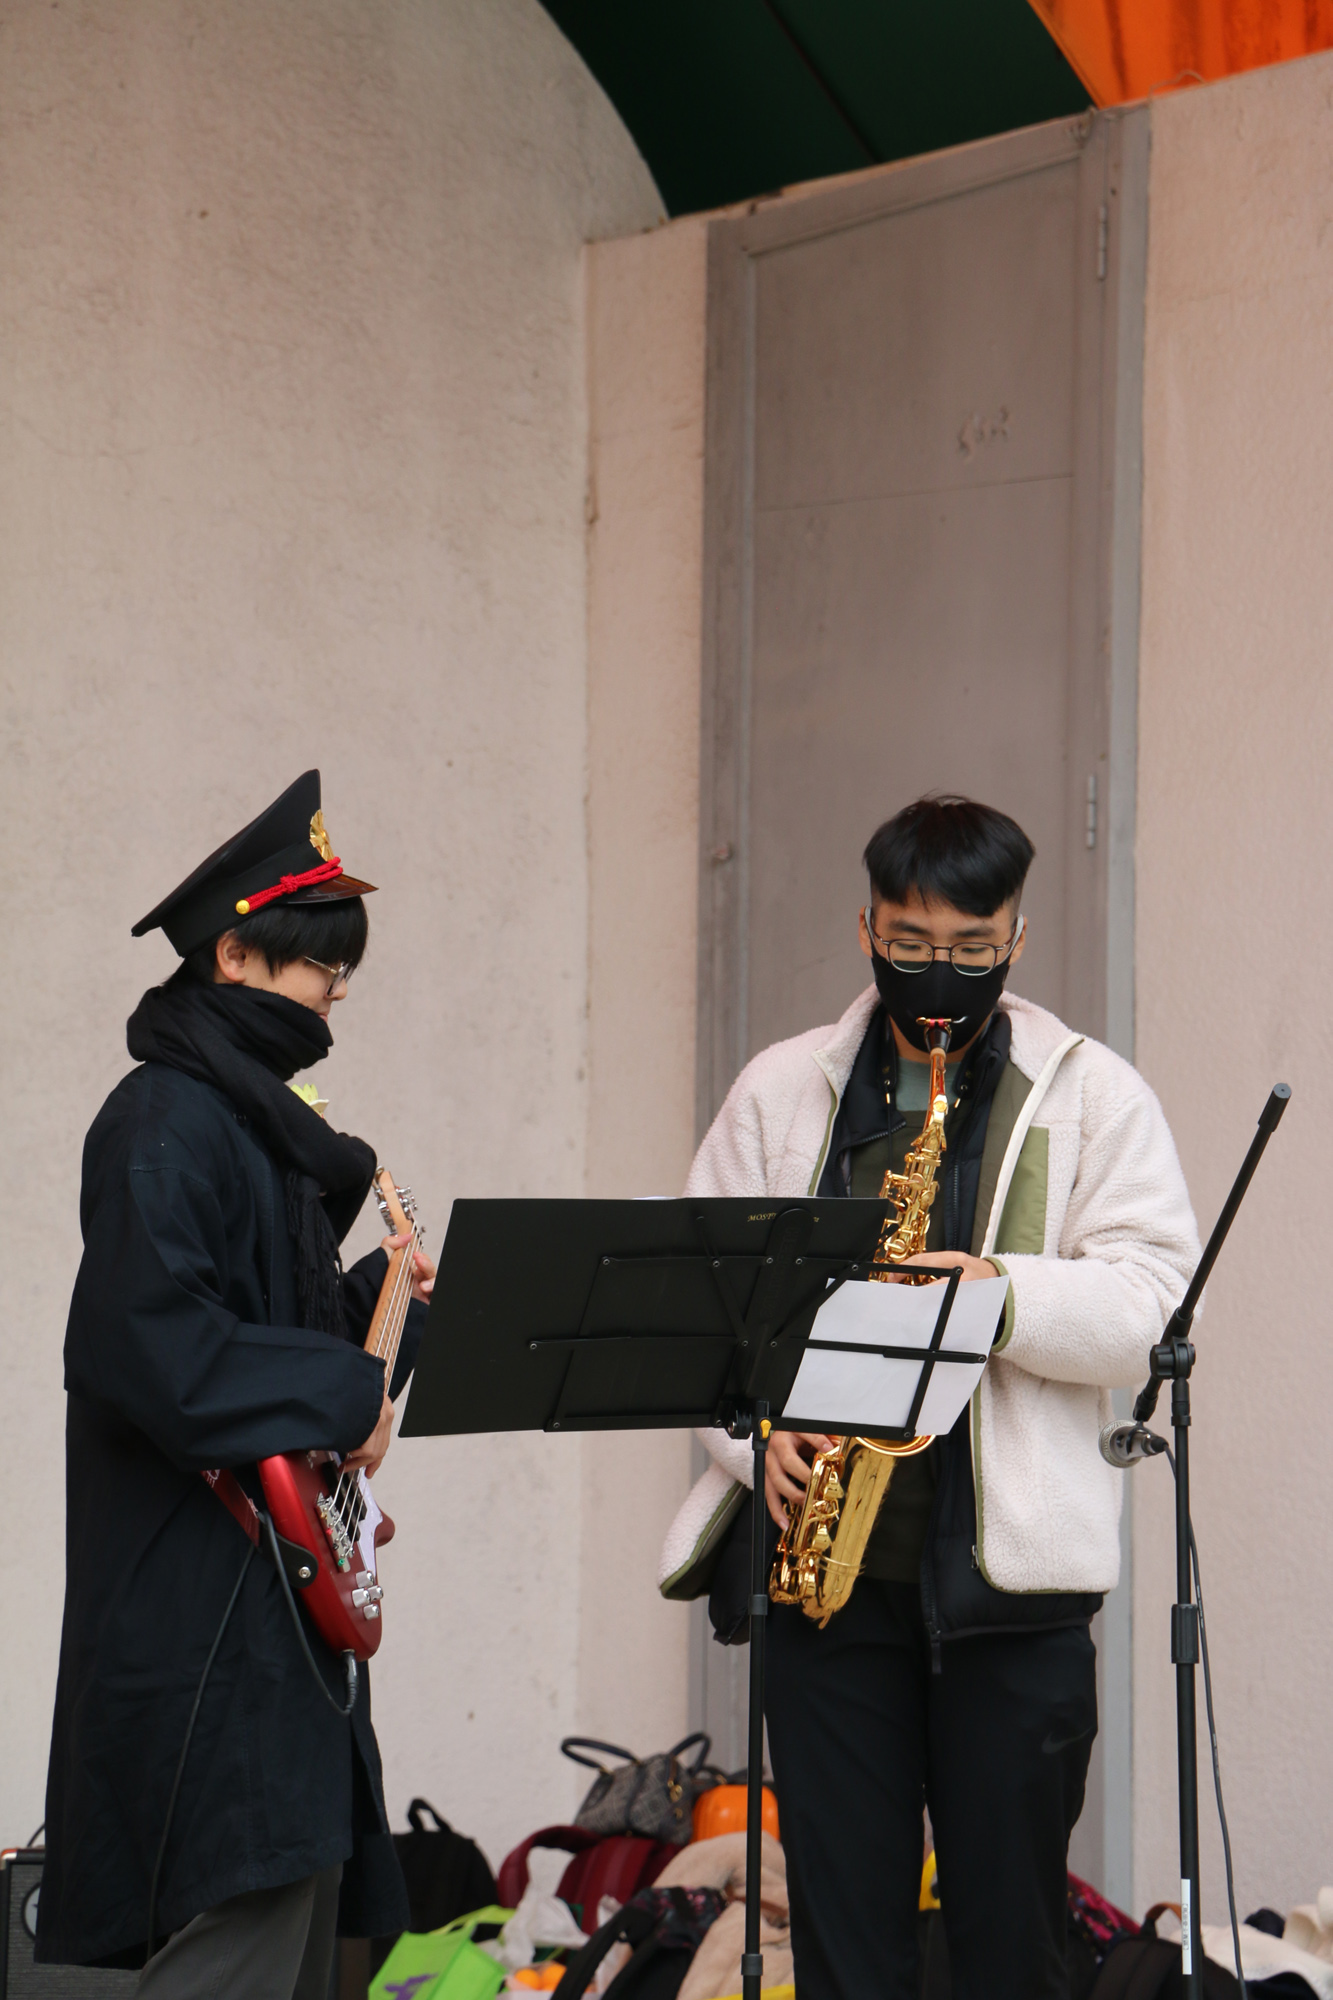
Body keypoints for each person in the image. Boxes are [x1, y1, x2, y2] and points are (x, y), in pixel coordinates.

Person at [660, 795, 1200, 2000]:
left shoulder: (1088, 1092)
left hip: (1008, 1602)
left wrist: (999, 1292)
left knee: (1013, 1946)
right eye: (910, 945)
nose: (939, 972)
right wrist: (758, 1440)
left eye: (970, 947)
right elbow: (695, 1315)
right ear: (866, 926)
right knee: (847, 1947)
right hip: (826, 1589)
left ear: (1016, 933)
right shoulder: (781, 1089)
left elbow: (1156, 1303)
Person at [37, 770, 435, 2000]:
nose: (339, 990)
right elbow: (154, 1342)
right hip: (199, 1626)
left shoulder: (249, 1119)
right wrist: (340, 1387)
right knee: (232, 1929)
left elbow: (265, 1325)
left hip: (273, 1623)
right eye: (319, 964)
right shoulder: (163, 1120)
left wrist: (390, 1299)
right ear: (237, 958)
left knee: (288, 1918)